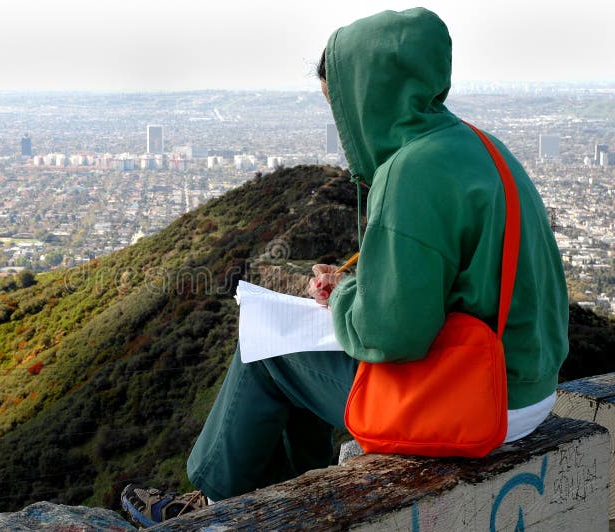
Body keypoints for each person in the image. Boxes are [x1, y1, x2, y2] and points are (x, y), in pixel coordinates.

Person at [121, 7, 568, 526]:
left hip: (483, 406)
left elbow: (392, 334)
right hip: (531, 387)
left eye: (339, 105)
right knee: (293, 357)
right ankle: (283, 496)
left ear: (367, 95)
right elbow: (459, 285)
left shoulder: (412, 171)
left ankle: (211, 512)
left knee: (265, 350)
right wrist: (357, 287)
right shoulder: (480, 147)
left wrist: (346, 301)